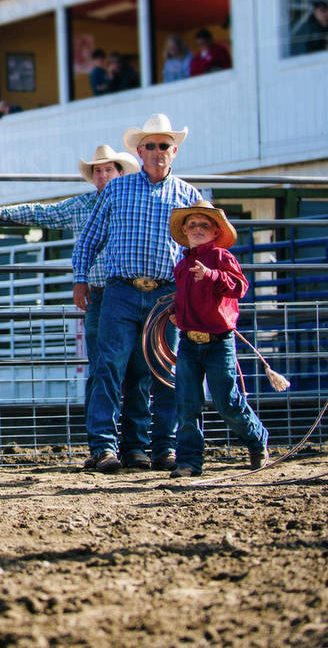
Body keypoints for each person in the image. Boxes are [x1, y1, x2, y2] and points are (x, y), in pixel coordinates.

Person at [0, 144, 140, 468]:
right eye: (98, 170)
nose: (103, 175)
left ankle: (131, 444)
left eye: (109, 169)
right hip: (99, 293)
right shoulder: (82, 206)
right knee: (104, 367)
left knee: (132, 368)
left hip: (128, 291)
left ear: (120, 172)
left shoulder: (130, 200)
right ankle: (104, 445)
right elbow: (41, 212)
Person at [72, 113, 203, 475]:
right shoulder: (116, 190)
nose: (158, 151)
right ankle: (105, 447)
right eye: (151, 146)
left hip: (166, 295)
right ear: (140, 151)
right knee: (110, 367)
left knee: (162, 371)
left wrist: (193, 292)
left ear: (173, 152)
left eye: (164, 146)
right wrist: (81, 279)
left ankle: (160, 447)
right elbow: (89, 240)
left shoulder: (188, 195)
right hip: (121, 290)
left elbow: (198, 250)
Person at [168, 201, 268, 478]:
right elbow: (183, 297)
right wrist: (176, 312)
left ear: (215, 232)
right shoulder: (182, 265)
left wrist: (211, 275)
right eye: (193, 225)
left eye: (204, 225)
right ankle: (188, 462)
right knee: (187, 403)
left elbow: (240, 287)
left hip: (218, 342)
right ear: (185, 232)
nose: (198, 229)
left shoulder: (222, 258)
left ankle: (256, 438)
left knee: (227, 400)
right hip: (188, 342)